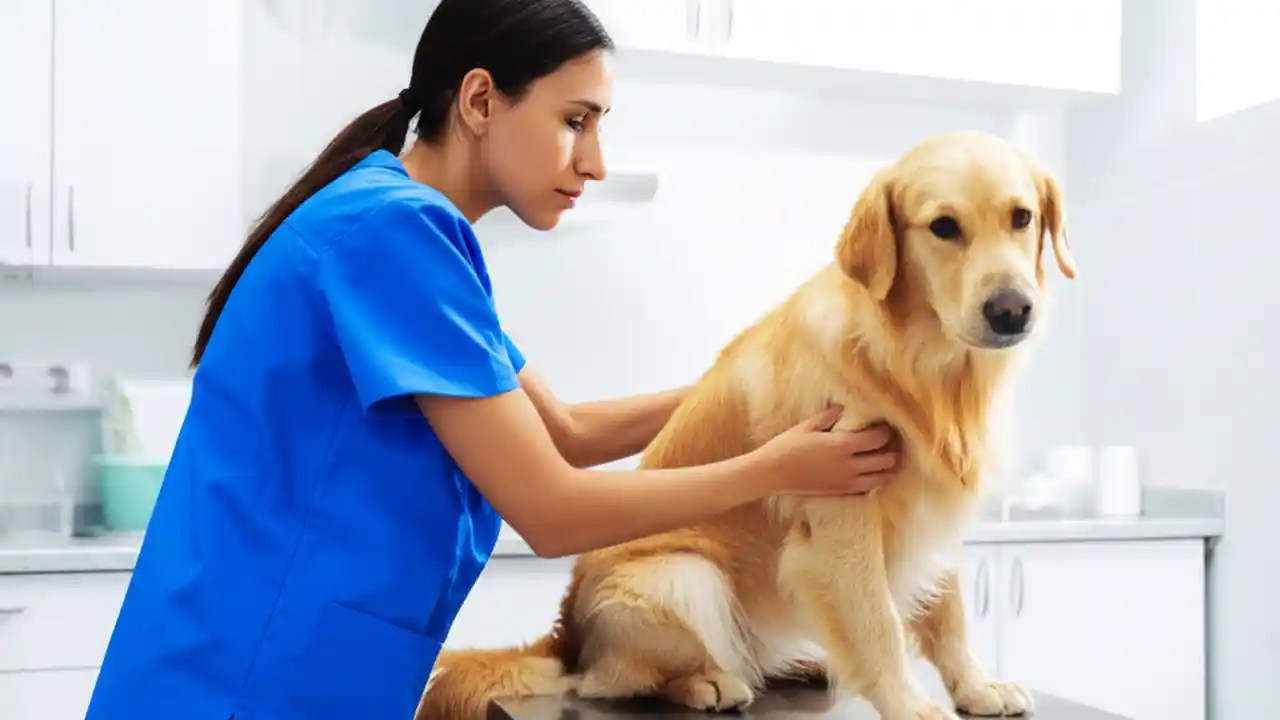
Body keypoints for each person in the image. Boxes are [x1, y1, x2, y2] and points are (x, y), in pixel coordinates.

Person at [84, 1, 898, 718]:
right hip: (247, 684)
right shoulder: (393, 234)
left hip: (272, 669)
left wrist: (755, 390)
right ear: (479, 101)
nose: (595, 160)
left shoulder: (403, 227)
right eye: (576, 120)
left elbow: (567, 431)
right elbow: (551, 509)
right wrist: (775, 468)